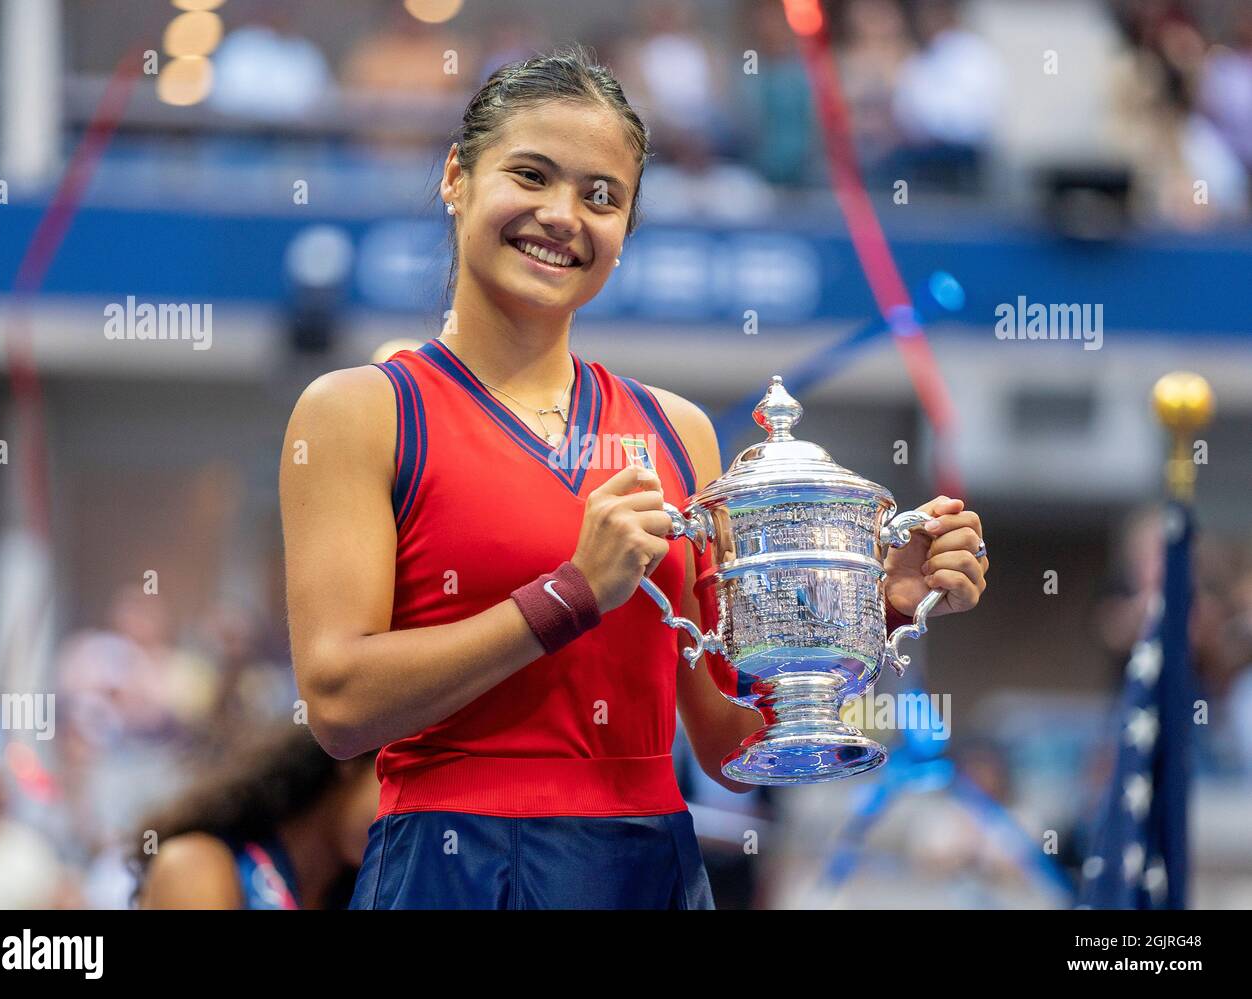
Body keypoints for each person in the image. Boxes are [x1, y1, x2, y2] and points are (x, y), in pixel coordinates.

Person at [279, 45, 990, 910]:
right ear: (456, 177)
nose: (562, 215)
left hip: (647, 868)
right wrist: (571, 593)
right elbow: (339, 704)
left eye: (601, 195)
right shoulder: (360, 411)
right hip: (449, 867)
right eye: (531, 175)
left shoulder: (677, 432)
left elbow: (729, 740)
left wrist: (873, 609)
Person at [131, 725, 378, 909]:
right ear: (351, 759)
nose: (407, 811)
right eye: (402, 783)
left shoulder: (368, 895)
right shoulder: (195, 862)